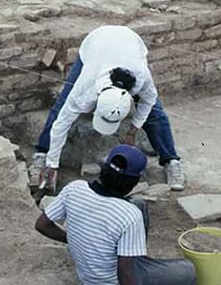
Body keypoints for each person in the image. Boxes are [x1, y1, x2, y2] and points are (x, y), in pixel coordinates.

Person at [33, 25, 186, 192]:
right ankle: (42, 153)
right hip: (97, 43)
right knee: (62, 105)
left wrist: (133, 131)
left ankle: (171, 161)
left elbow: (148, 102)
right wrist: (52, 163)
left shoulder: (141, 77)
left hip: (130, 43)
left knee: (156, 113)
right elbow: (63, 122)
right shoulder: (86, 86)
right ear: (96, 101)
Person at [35, 145, 197, 285]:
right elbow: (125, 275)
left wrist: (74, 239)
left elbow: (42, 225)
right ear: (133, 183)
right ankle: (134, 258)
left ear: (104, 169)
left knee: (139, 204)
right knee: (188, 270)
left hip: (89, 271)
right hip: (109, 280)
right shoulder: (128, 216)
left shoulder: (74, 188)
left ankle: (133, 253)